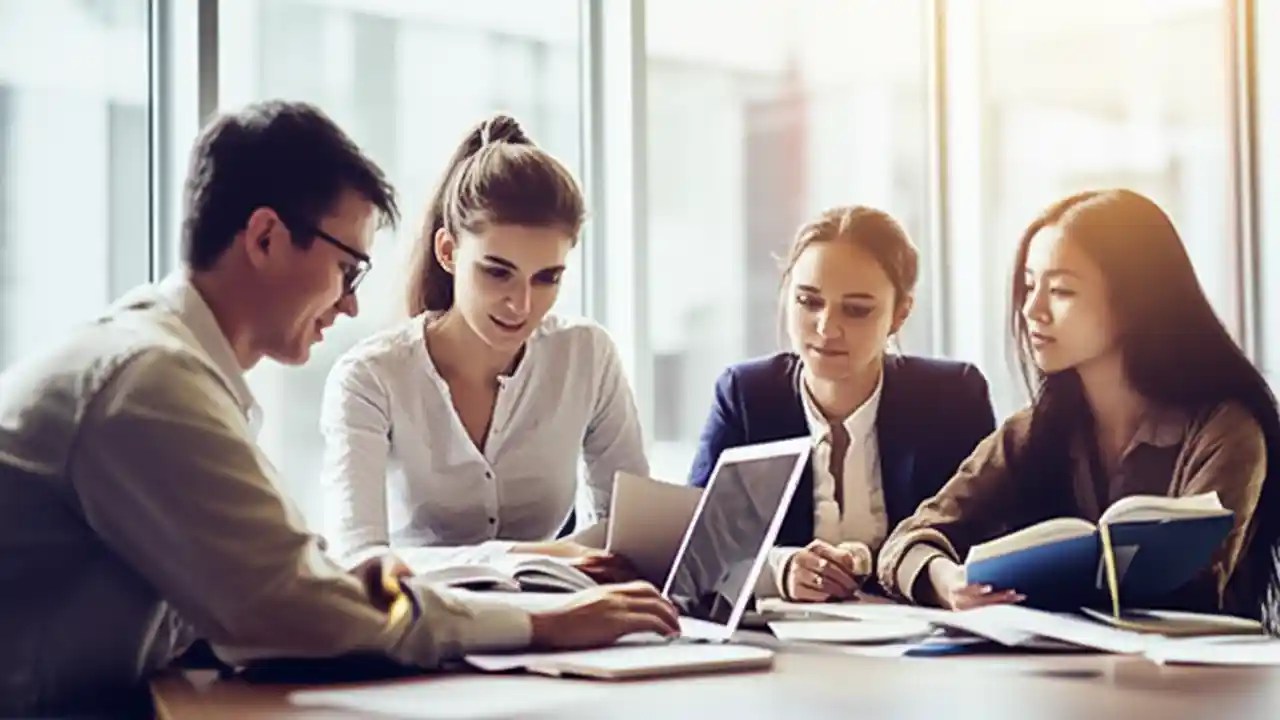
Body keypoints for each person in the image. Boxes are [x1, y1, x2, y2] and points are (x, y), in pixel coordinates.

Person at [0, 101, 676, 717]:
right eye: (349, 268)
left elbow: (253, 591)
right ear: (265, 238)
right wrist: (541, 625)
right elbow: (293, 609)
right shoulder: (149, 384)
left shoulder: (167, 365)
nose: (352, 302)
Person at [878, 189, 1280, 621]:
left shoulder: (1224, 430)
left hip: (1192, 679)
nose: (1032, 309)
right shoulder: (1031, 432)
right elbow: (907, 542)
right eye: (1029, 285)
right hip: (1060, 673)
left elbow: (1195, 584)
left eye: (1061, 290)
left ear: (1136, 301)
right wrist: (947, 581)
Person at [318, 113, 646, 578]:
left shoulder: (587, 355)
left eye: (547, 277)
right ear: (449, 252)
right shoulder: (370, 377)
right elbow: (358, 561)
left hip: (564, 622)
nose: (522, 304)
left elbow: (633, 533)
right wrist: (528, 557)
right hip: (417, 633)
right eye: (497, 271)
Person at [688, 206, 996, 602]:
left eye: (856, 310)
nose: (826, 328)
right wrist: (779, 569)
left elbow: (988, 534)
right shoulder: (746, 396)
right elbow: (697, 553)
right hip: (785, 645)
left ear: (900, 313)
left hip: (924, 637)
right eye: (808, 301)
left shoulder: (953, 396)